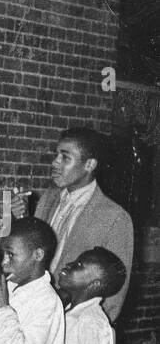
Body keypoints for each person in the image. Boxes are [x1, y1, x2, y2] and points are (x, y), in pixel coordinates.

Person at [34, 127, 134, 321]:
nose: (55, 163)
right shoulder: (47, 199)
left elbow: (115, 293)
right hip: (36, 314)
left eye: (65, 157)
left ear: (89, 164)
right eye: (56, 155)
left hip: (73, 324)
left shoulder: (115, 217)